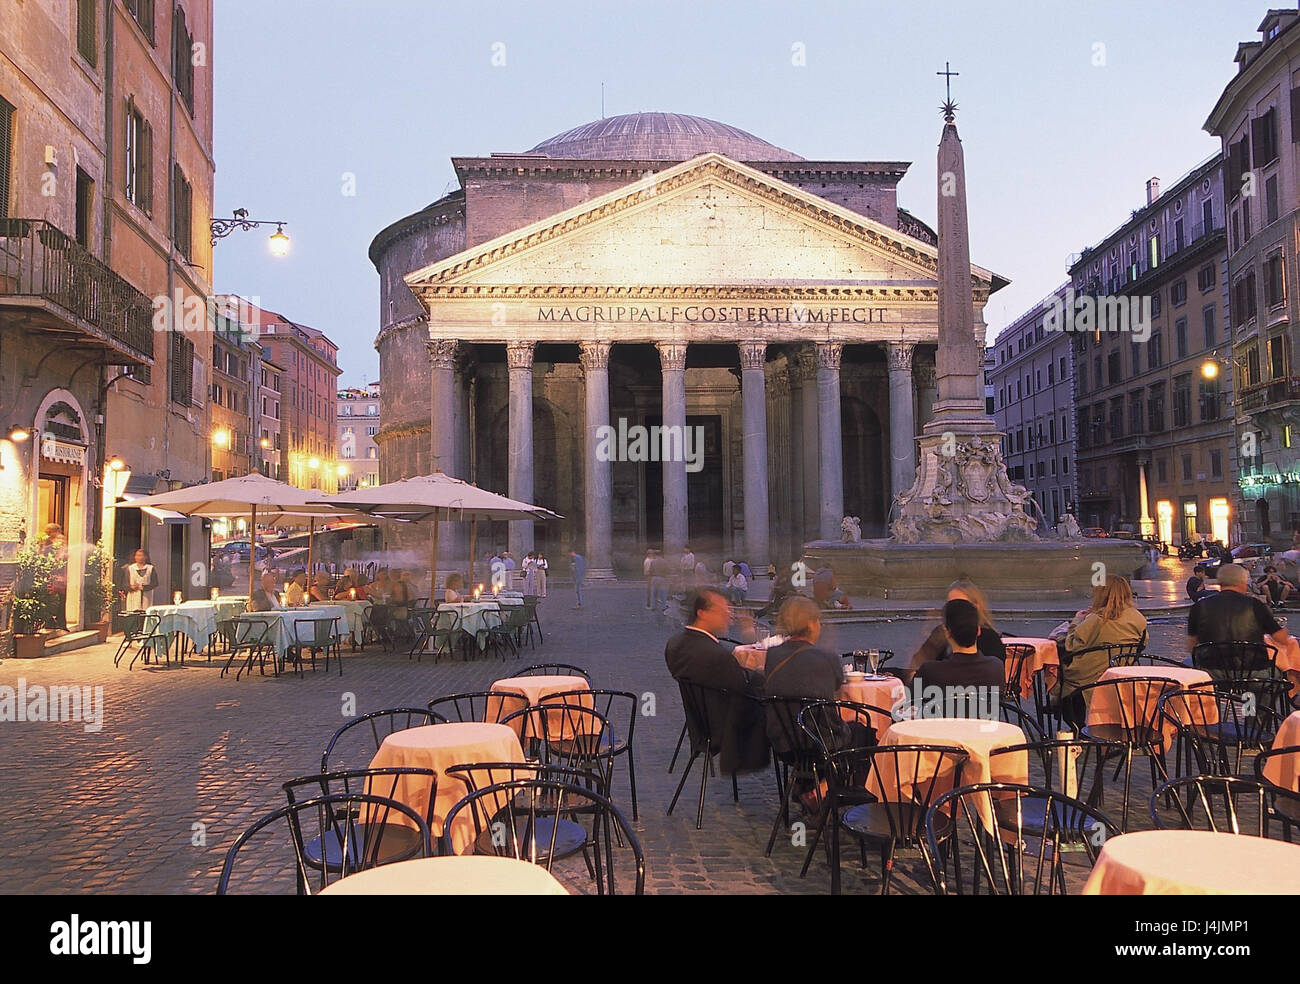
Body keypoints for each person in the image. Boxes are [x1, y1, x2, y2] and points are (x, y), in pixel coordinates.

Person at [762, 597, 871, 796]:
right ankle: (823, 790)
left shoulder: (772, 655)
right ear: (811, 624)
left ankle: (804, 783)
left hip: (783, 741)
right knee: (864, 733)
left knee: (826, 726)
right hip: (819, 742)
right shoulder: (827, 657)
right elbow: (837, 689)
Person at [663, 587, 768, 775]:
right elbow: (746, 688)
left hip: (699, 720)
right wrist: (761, 670)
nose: (729, 617)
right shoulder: (715, 655)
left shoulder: (675, 644)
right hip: (724, 725)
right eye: (723, 612)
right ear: (702, 613)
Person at [1056, 576, 1148, 726]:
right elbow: (1142, 644)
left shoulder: (1097, 619)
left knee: (1061, 675)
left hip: (1089, 675)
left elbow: (1072, 645)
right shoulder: (1137, 618)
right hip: (1120, 672)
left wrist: (1077, 620)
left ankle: (1071, 721)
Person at [1188, 563, 1289, 673]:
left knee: (1188, 663)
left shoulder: (1199, 606)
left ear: (1220, 582)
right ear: (1243, 582)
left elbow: (1191, 646)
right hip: (1253, 673)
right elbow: (1281, 639)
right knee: (1286, 669)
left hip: (1212, 674)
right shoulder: (1255, 604)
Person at [910, 599, 1005, 716]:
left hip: (942, 733)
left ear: (947, 633)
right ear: (978, 630)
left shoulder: (931, 671)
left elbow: (907, 703)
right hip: (984, 732)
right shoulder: (996, 667)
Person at [906, 579, 1005, 681]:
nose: (954, 610)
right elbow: (917, 663)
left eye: (960, 605)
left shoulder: (991, 641)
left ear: (976, 607)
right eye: (949, 605)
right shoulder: (940, 632)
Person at [649, 549, 671, 613]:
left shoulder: (652, 562)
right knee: (663, 593)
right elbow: (667, 570)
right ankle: (663, 606)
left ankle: (653, 606)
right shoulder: (664, 561)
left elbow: (650, 570)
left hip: (654, 577)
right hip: (662, 577)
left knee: (653, 593)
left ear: (655, 555)